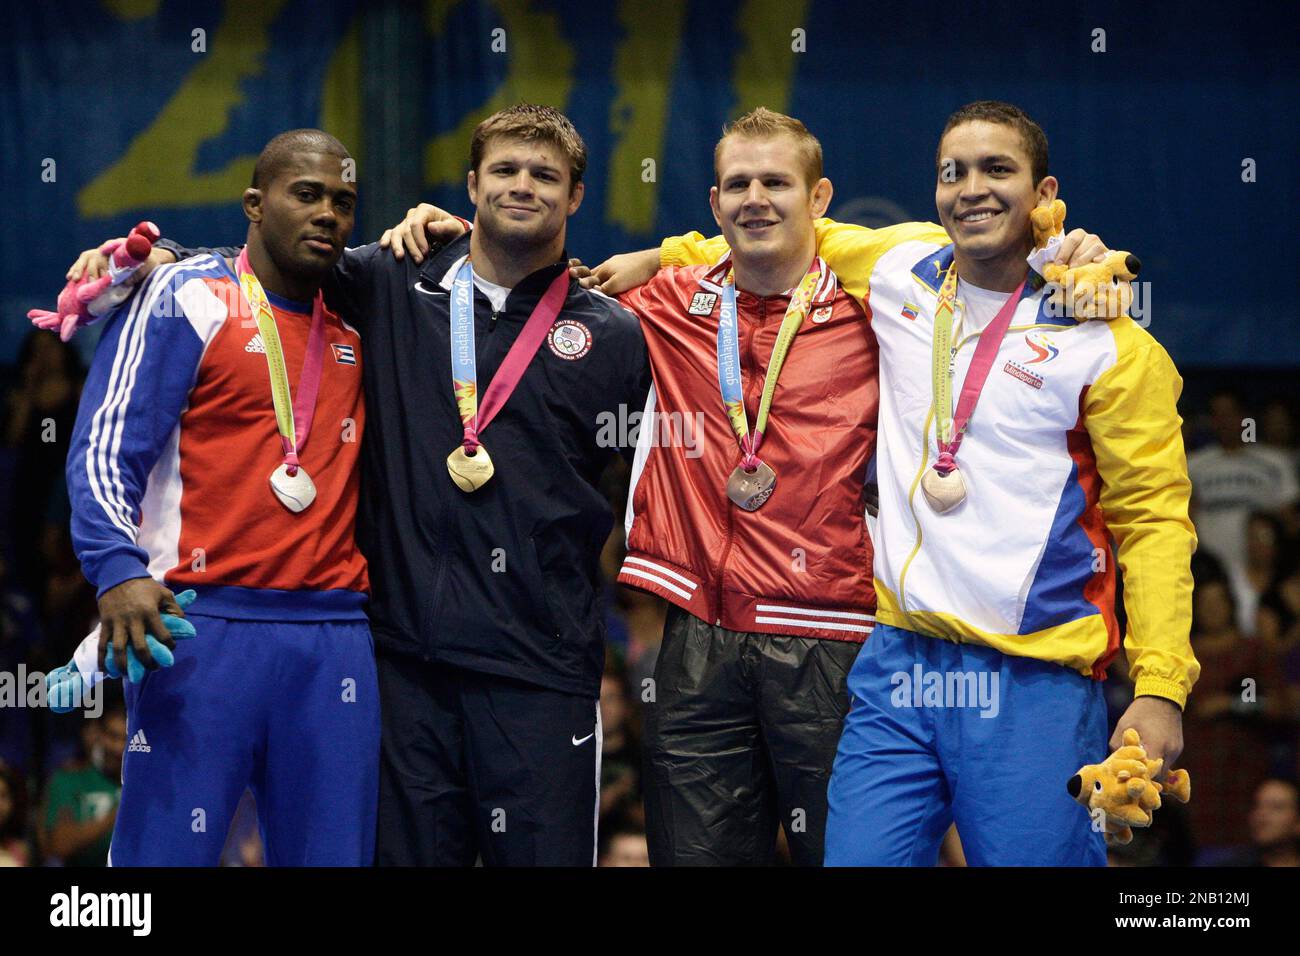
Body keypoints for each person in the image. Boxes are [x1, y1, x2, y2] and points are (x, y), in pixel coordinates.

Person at [382, 106, 1114, 865]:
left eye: (776, 183)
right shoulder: (656, 306)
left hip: (835, 636)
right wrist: (445, 235)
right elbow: (522, 289)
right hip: (697, 636)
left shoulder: (889, 302)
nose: (755, 198)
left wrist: (1070, 255)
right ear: (713, 203)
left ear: (820, 198)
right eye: (738, 184)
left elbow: (984, 254)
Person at [622, 100, 1196, 865]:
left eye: (998, 170)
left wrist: (1160, 686)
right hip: (894, 664)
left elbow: (1154, 523)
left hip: (1033, 679)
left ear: (1044, 192)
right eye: (953, 172)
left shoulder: (1109, 344)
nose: (972, 189)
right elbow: (777, 224)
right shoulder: (898, 265)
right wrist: (661, 258)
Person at [115, 105, 651, 865]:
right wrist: (162, 253)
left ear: (576, 198)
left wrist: (665, 253)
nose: (522, 187)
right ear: (471, 184)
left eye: (545, 176)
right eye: (504, 170)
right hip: (404, 670)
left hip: (541, 673)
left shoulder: (613, 334)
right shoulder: (394, 279)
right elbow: (271, 257)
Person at [61, 129, 378, 865]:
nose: (327, 213)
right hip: (202, 628)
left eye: (344, 201)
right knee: (160, 859)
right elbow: (108, 445)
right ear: (254, 204)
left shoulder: (364, 316)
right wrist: (117, 569)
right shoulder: (187, 294)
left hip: (335, 639)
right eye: (306, 195)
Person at [1189, 388, 1299, 579]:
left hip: (1267, 570)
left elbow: (1290, 518)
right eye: (1218, 415)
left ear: (1245, 417)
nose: (1224, 421)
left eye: (1230, 413)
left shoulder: (1275, 461)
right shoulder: (1193, 463)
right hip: (1212, 572)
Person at [43, 700, 125, 866]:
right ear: (97, 734)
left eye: (126, 739)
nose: (118, 747)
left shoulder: (145, 788)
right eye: (112, 736)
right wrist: (119, 813)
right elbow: (60, 845)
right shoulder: (69, 780)